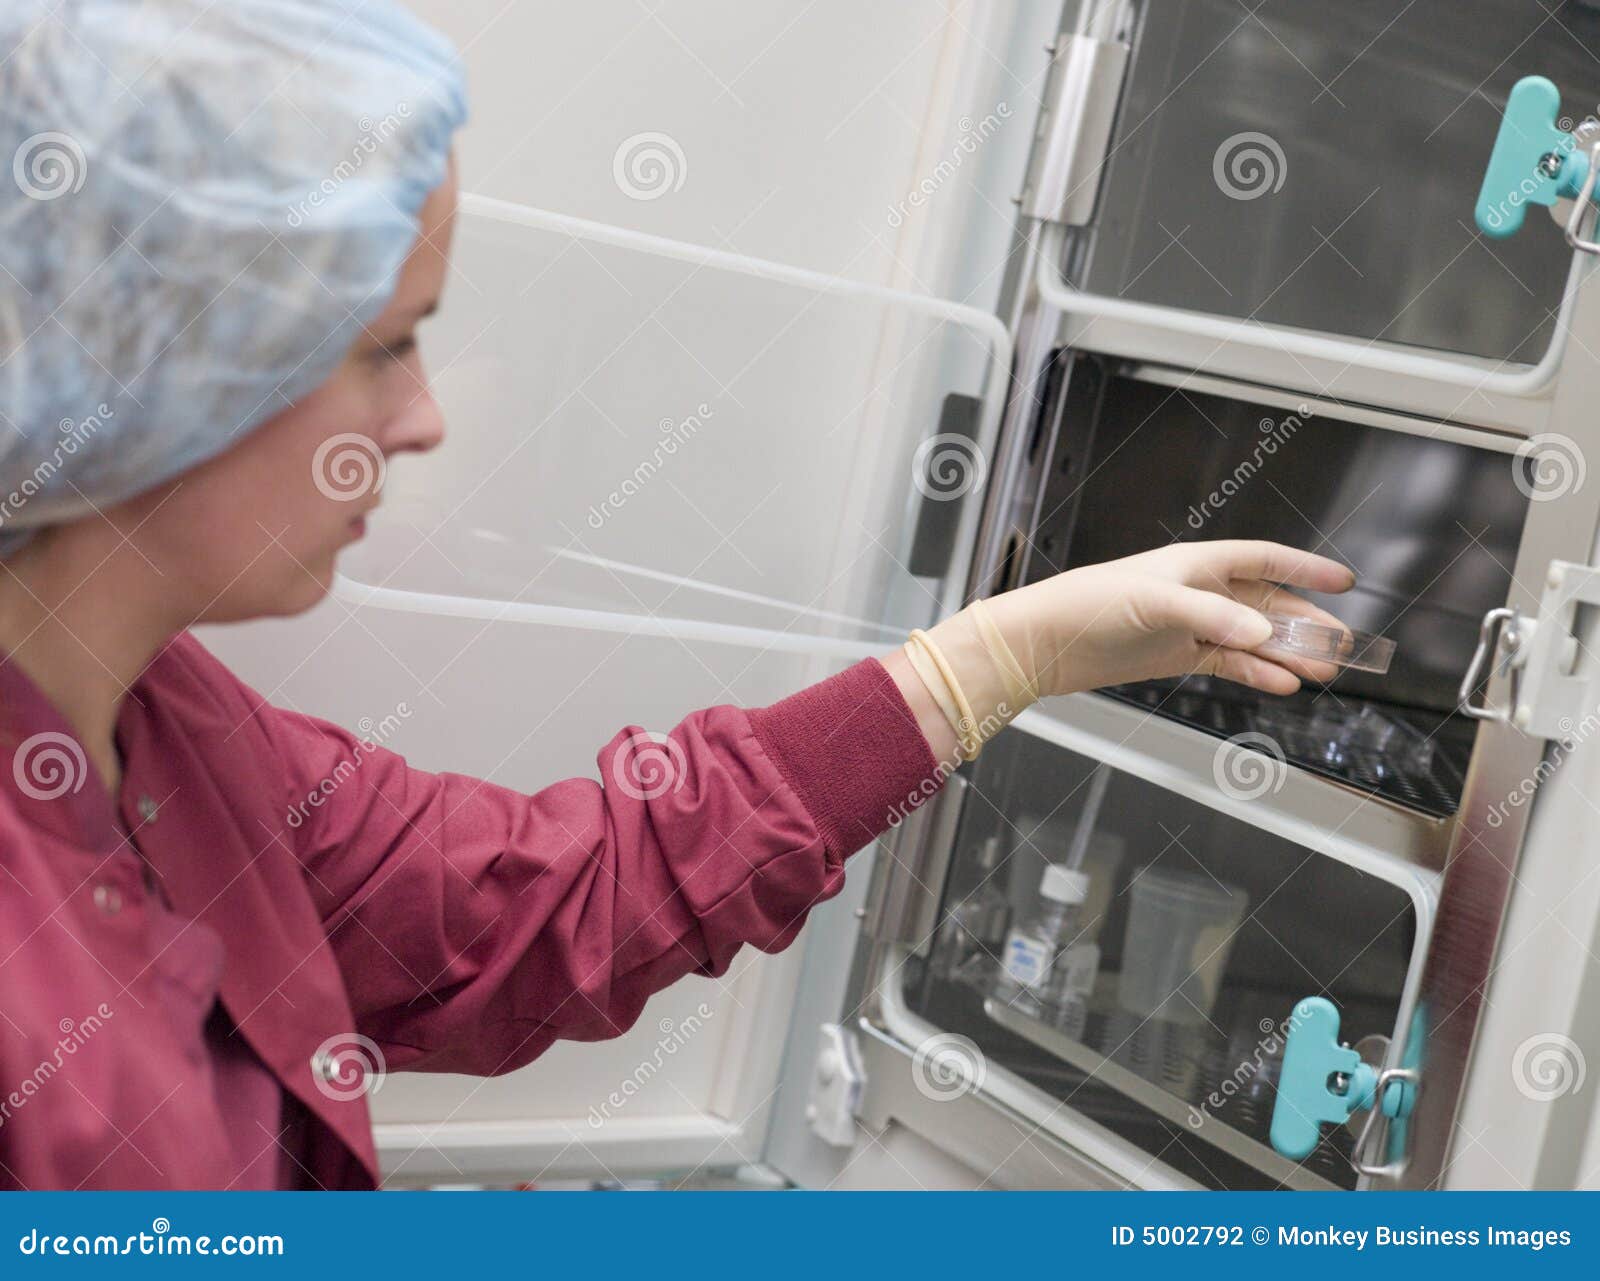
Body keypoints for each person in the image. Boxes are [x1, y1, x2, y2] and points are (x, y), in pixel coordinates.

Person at [0, 0, 1352, 1189]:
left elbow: (530, 906)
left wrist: (992, 659)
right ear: (159, 361)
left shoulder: (174, 733)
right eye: (383, 347)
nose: (419, 421)